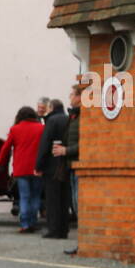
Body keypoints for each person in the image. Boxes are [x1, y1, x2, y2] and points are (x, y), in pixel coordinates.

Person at [0, 106, 45, 233]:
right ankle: (33, 222)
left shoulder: (15, 129)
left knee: (24, 197)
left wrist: (0, 163)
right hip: (38, 168)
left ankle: (25, 224)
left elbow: (5, 148)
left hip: (21, 169)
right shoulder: (41, 128)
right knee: (35, 197)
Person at [54, 83, 84, 253]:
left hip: (78, 164)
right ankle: (82, 243)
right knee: (75, 204)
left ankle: (84, 244)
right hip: (71, 165)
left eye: (72, 94)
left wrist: (66, 150)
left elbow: (86, 141)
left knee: (79, 204)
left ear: (80, 97)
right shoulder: (74, 116)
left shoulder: (84, 116)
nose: (70, 97)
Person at [37, 97, 71, 239]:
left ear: (51, 108)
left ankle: (53, 229)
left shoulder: (51, 121)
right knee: (64, 198)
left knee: (52, 199)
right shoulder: (69, 119)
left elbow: (45, 144)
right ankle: (64, 229)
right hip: (66, 162)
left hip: (52, 165)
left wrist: (39, 165)